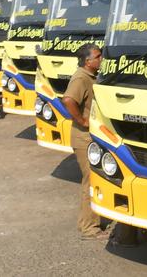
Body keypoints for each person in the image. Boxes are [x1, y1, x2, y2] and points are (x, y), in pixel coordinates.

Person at [60, 43, 108, 240]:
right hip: (84, 139)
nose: (101, 59)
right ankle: (89, 228)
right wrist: (82, 121)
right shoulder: (81, 77)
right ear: (88, 61)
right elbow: (68, 100)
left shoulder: (92, 75)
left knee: (94, 180)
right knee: (91, 181)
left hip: (91, 138)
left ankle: (88, 222)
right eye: (98, 57)